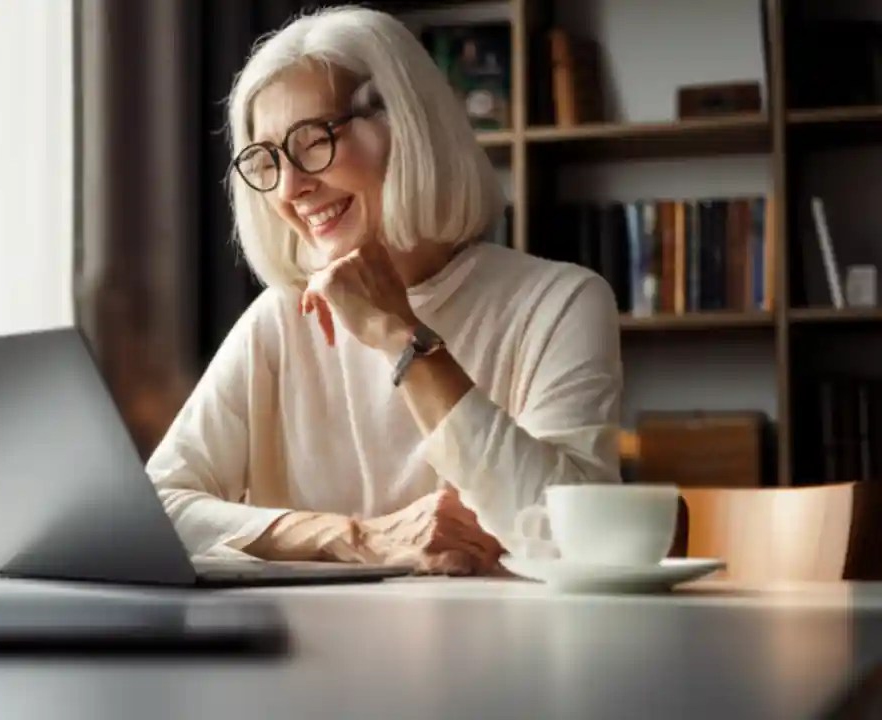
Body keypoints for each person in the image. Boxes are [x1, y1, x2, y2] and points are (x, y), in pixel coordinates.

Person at [146, 6, 621, 575]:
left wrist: (405, 339)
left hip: (502, 653)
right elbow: (157, 508)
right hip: (306, 657)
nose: (292, 187)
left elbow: (577, 542)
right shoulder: (280, 320)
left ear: (407, 127)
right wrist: (353, 537)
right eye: (267, 159)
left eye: (312, 140)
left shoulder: (560, 303)